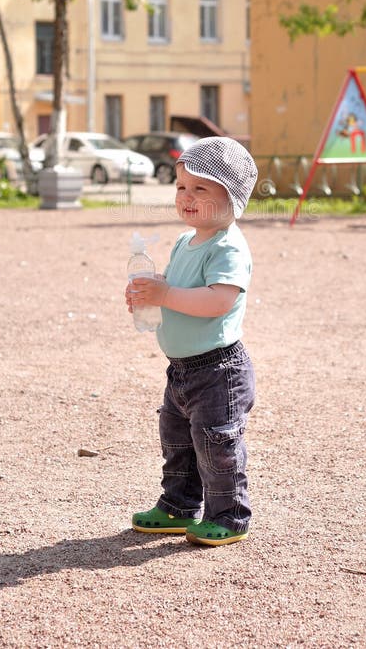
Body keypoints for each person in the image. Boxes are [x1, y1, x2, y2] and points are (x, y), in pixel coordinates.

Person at [125, 136, 258, 547]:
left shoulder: (228, 246)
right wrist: (152, 291)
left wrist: (165, 296)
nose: (187, 196)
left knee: (216, 442)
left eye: (201, 188)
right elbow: (179, 288)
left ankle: (230, 515)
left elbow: (219, 300)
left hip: (219, 370)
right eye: (182, 187)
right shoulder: (186, 242)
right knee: (178, 439)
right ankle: (178, 506)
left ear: (232, 198)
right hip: (182, 370)